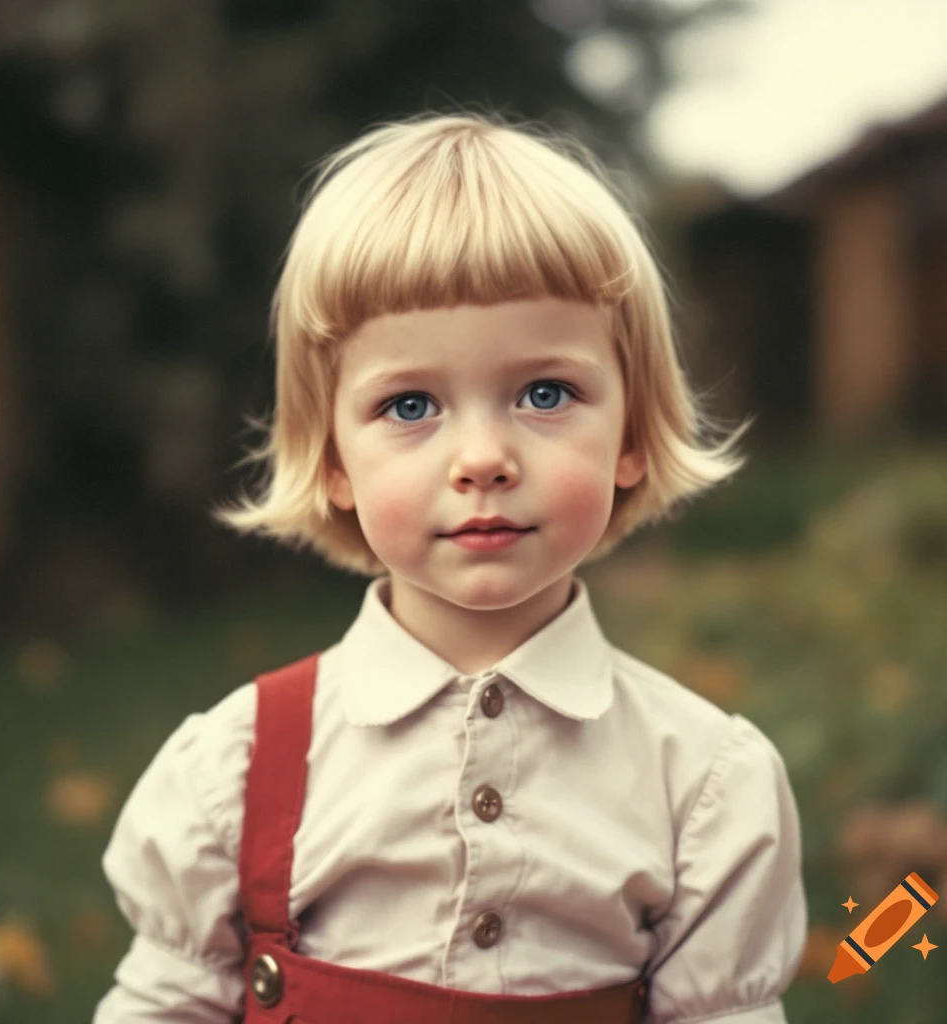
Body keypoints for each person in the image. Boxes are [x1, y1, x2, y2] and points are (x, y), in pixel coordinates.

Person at [94, 110, 808, 1023]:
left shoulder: (707, 783)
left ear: (630, 435)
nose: (482, 457)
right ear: (334, 461)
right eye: (410, 404)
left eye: (546, 394)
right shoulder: (231, 770)